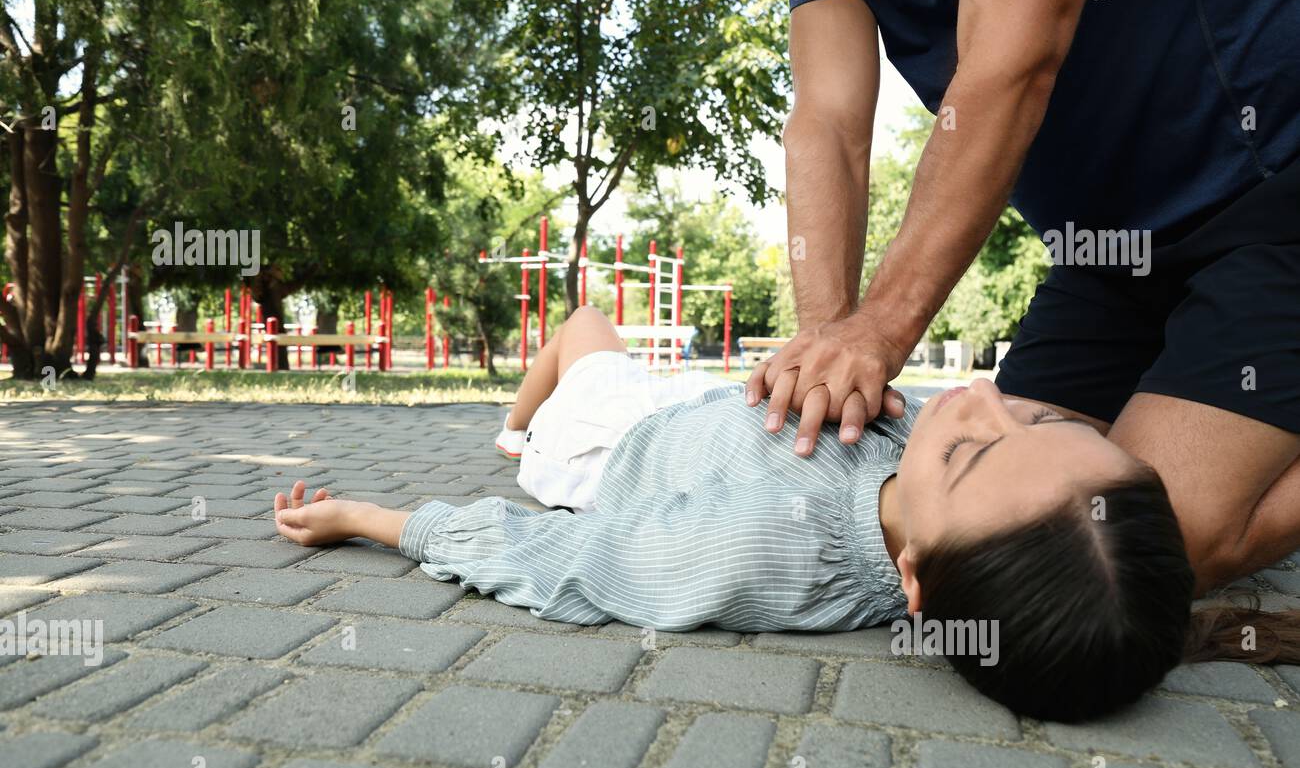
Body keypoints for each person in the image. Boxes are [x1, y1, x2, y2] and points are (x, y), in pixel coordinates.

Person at [270, 307, 1300, 723]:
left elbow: (563, 558)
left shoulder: (749, 548)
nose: (979, 394)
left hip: (611, 447)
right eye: (1036, 415)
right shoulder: (954, 510)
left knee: (581, 323)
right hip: (701, 413)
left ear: (916, 580)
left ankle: (512, 429)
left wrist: (376, 518)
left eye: (976, 445)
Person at [755, 0, 1300, 598]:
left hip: (1271, 184)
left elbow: (1014, 51)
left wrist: (881, 327)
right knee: (1011, 535)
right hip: (1107, 253)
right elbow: (827, 121)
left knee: (1155, 540)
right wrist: (824, 346)